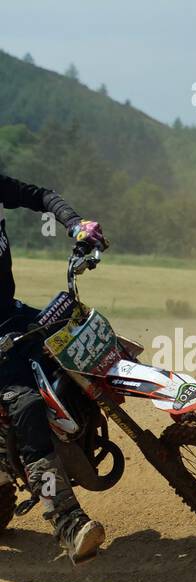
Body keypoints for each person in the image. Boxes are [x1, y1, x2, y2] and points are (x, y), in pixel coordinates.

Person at [0, 172, 108, 562]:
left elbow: (41, 195)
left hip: (11, 318)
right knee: (27, 407)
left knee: (76, 328)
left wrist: (76, 224)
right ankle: (67, 520)